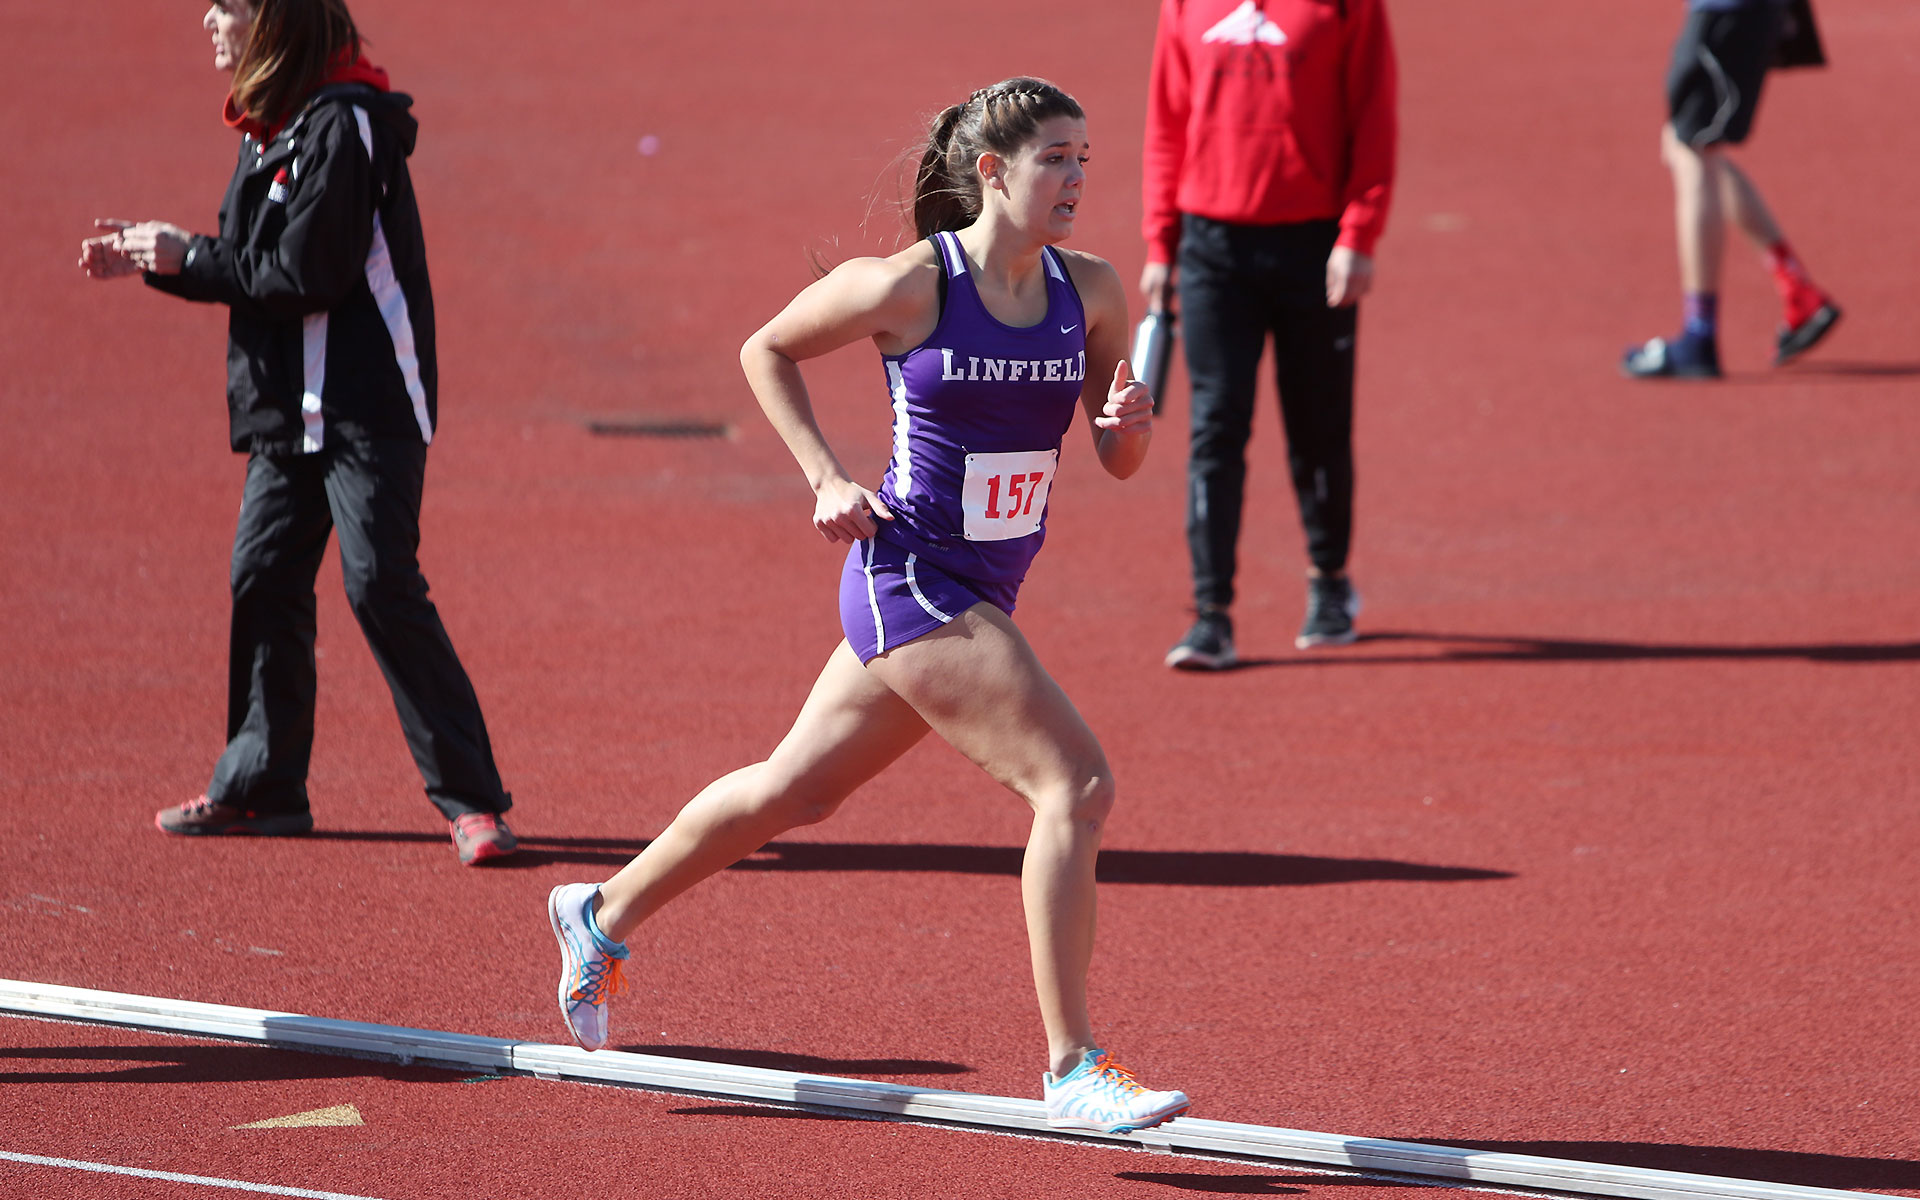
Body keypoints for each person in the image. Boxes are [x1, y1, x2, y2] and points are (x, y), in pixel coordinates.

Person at [546, 77, 1191, 1135]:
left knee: (794, 793)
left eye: (1086, 158)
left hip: (983, 586)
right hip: (910, 579)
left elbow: (1117, 458)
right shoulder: (909, 286)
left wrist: (1132, 423)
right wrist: (823, 477)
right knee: (1074, 783)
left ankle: (600, 914)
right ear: (993, 171)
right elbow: (766, 349)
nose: (1078, 178)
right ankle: (1074, 1064)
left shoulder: (1095, 292)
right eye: (1056, 159)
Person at [78, 0, 517, 866]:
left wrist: (182, 259)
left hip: (367, 407)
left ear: (274, 22)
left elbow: (303, 275)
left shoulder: (346, 127)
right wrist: (161, 258)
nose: (209, 21)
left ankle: (474, 801)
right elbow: (251, 259)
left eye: (228, 7)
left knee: (378, 582)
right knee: (263, 575)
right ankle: (264, 785)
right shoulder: (270, 126)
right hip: (292, 409)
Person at [1143, 0, 1399, 669]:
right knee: (1215, 426)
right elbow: (1169, 121)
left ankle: (1328, 581)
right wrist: (1160, 245)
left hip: (1313, 246)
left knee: (1317, 424)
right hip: (1211, 248)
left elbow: (1374, 113)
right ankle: (1211, 615)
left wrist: (1358, 234)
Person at [1621, 0, 1841, 379]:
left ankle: (1699, 334)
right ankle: (1796, 290)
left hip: (1728, 10)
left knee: (1692, 151)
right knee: (1695, 147)